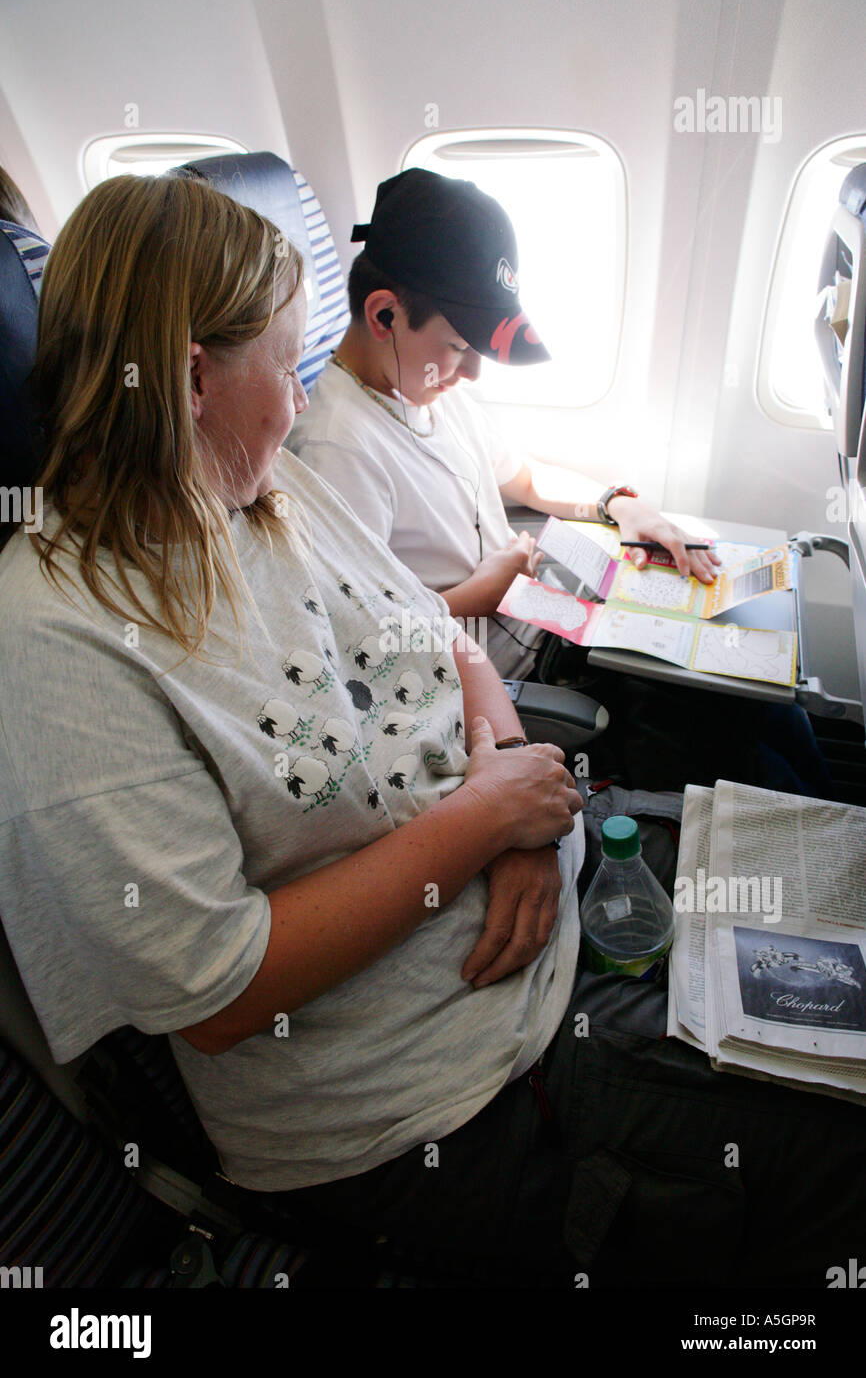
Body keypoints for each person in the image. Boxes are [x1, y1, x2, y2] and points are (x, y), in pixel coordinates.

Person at [1, 173, 862, 1292]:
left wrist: (506, 795)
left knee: (833, 885)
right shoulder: (58, 632)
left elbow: (444, 645)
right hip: (427, 1091)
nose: (303, 403)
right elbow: (217, 991)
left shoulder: (263, 496)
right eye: (280, 362)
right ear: (190, 379)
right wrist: (478, 825)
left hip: (527, 871)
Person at [290, 168, 721, 683]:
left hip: (549, 622)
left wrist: (623, 506)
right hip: (498, 680)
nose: (472, 373)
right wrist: (485, 592)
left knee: (726, 670)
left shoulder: (424, 385)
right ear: (385, 316)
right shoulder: (336, 451)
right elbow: (362, 642)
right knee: (716, 712)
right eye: (459, 348)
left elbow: (526, 479)